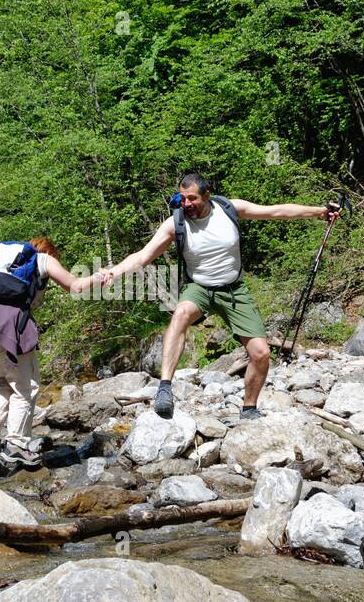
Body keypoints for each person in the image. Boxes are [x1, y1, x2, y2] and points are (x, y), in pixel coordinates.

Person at [100, 173, 340, 421]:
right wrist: (113, 271)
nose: (187, 204)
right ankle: (164, 389)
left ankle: (249, 409)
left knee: (261, 354)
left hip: (234, 289)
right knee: (181, 313)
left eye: (192, 198)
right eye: (182, 199)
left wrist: (319, 212)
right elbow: (142, 256)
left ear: (207, 195)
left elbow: (276, 211)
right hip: (200, 287)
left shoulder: (228, 208)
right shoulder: (176, 223)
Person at [0, 236, 98, 464]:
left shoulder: (0, 264)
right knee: (26, 387)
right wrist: (99, 276)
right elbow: (76, 286)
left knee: (7, 380)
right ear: (49, 252)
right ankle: (17, 444)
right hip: (7, 327)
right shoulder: (42, 260)